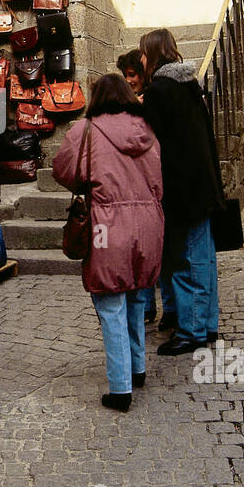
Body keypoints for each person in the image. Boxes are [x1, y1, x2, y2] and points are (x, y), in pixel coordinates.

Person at [53, 73, 164, 413]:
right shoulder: (148, 131)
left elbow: (62, 170)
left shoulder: (85, 131)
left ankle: (120, 388)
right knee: (135, 298)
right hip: (147, 225)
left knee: (110, 305)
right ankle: (137, 367)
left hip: (107, 227)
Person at [139, 28, 226, 356]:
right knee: (203, 258)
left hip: (181, 190)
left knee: (185, 260)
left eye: (144, 54)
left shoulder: (161, 90)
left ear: (153, 53)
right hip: (202, 185)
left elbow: (151, 142)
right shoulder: (189, 86)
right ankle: (207, 325)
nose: (143, 60)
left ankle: (191, 330)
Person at [116, 51, 177, 329]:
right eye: (126, 77)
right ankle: (149, 308)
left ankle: (166, 309)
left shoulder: (149, 104)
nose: (130, 81)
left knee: (157, 254)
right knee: (145, 255)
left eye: (133, 75)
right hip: (138, 190)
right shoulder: (131, 105)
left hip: (152, 189)